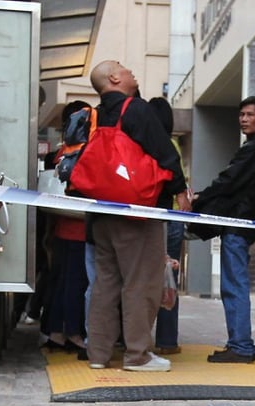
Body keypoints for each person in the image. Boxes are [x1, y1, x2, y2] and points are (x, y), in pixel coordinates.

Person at [83, 60, 190, 372]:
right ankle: (137, 355)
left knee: (105, 284)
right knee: (140, 283)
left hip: (100, 212)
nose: (130, 71)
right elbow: (164, 152)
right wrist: (180, 189)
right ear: (114, 78)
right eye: (124, 68)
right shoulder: (136, 109)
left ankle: (98, 355)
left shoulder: (94, 116)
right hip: (138, 211)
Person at [194, 96, 255, 364]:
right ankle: (239, 344)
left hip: (237, 227)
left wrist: (200, 198)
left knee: (234, 286)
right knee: (234, 285)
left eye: (250, 114)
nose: (243, 118)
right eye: (241, 114)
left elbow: (228, 182)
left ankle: (241, 346)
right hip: (240, 226)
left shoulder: (254, 150)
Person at [40, 100, 91, 357]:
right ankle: (73, 332)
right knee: (76, 284)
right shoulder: (85, 151)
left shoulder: (62, 153)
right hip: (81, 229)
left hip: (59, 227)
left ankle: (55, 332)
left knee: (59, 282)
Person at [148, 96, 187, 356]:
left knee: (141, 279)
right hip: (173, 219)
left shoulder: (147, 143)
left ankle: (132, 338)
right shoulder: (174, 146)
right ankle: (167, 340)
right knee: (168, 278)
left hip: (151, 216)